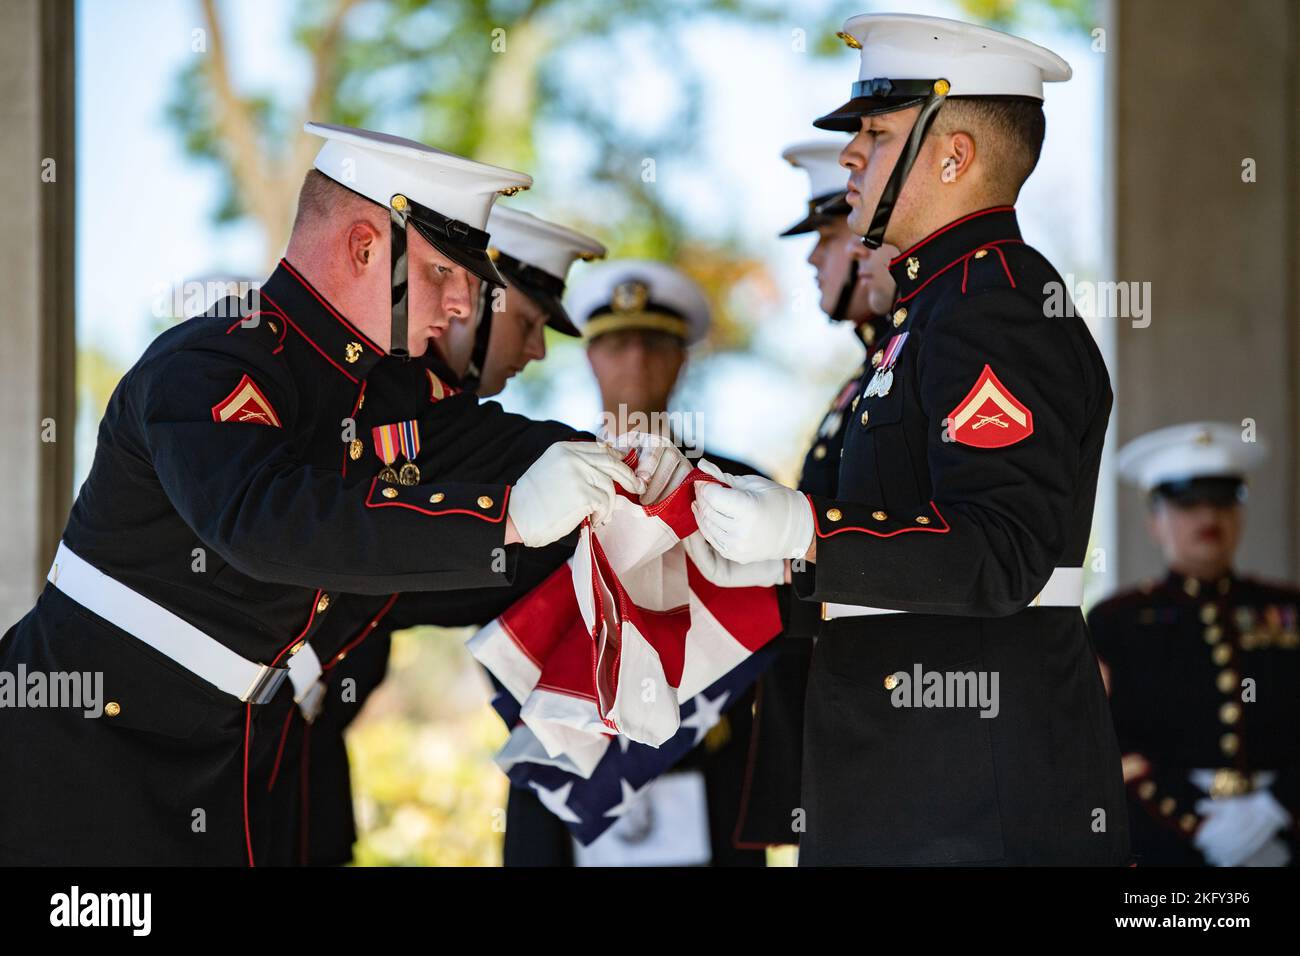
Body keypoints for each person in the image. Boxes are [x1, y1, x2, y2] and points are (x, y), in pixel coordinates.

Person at [0, 123, 643, 866]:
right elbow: (264, 521)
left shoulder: (384, 392)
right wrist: (507, 517)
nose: (463, 304)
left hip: (223, 756)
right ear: (364, 247)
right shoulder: (211, 360)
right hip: (77, 752)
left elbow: (509, 447)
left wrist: (668, 478)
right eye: (442, 271)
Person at [692, 13, 1129, 865]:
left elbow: (1001, 550)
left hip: (970, 798)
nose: (852, 155)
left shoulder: (993, 302)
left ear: (955, 157)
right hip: (910, 785)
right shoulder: (933, 308)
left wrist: (806, 531)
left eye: (877, 133)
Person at [288, 207, 611, 866]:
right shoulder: (387, 395)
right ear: (476, 302)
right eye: (528, 323)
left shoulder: (429, 405)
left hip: (297, 751)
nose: (537, 351)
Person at [502, 259, 769, 867]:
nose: (636, 359)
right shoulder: (539, 483)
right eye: (617, 343)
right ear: (590, 357)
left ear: (682, 360)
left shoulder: (740, 488)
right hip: (564, 759)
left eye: (655, 343)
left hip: (705, 759)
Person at [732, 140, 895, 848]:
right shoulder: (862, 381)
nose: (811, 260)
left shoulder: (899, 369)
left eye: (827, 237)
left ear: (865, 242)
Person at [1089, 422, 1299, 866]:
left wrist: (1276, 805)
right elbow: (1106, 739)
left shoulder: (1287, 608)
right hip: (1163, 837)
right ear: (1155, 521)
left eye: (1222, 501)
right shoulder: (1116, 620)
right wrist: (1195, 821)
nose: (1208, 517)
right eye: (1188, 503)